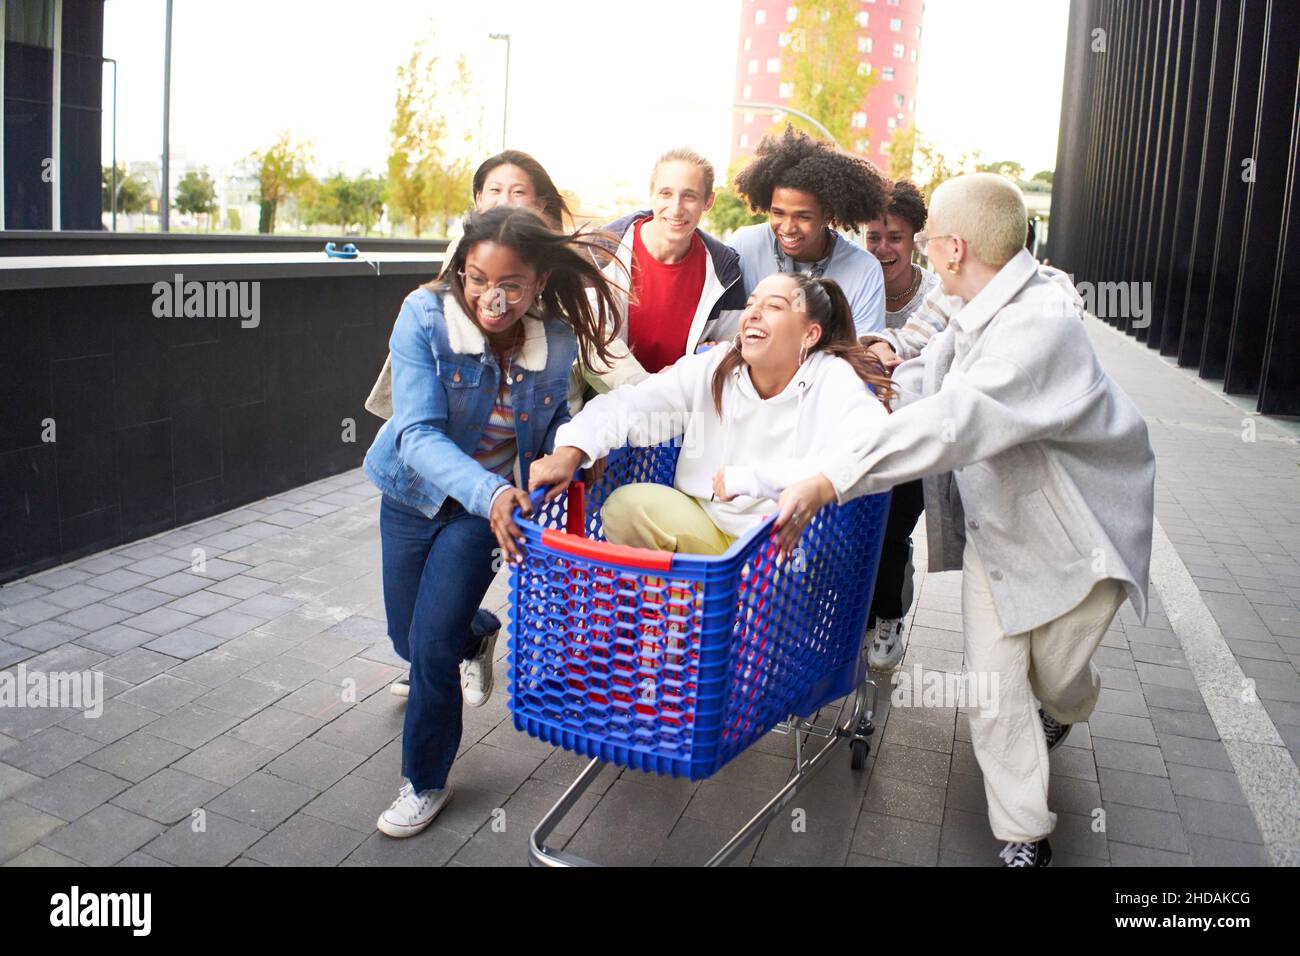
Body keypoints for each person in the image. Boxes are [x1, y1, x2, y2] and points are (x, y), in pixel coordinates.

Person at [773, 174, 1156, 867]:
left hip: (1081, 538)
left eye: (923, 239)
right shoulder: (969, 307)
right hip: (999, 532)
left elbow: (959, 418)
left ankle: (1067, 705)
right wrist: (843, 403)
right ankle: (1023, 834)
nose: (914, 249)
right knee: (994, 684)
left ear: (952, 247)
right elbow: (925, 386)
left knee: (1058, 679)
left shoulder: (1041, 323)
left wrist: (834, 478)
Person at [361, 205, 622, 838]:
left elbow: (555, 417)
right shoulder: (423, 316)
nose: (492, 298)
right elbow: (417, 433)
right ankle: (476, 633)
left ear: (537, 283)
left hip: (485, 516)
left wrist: (572, 450)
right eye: (477, 279)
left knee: (428, 646)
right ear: (460, 269)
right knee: (409, 634)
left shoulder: (555, 339)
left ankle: (423, 782)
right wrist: (490, 491)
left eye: (510, 284)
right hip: (413, 494)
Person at [527, 273, 892, 556]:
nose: (753, 314)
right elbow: (631, 404)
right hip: (708, 532)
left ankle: (726, 622)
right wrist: (571, 449)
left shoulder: (833, 379)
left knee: (785, 567)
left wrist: (756, 480)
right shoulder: (715, 367)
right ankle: (678, 618)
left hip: (784, 543)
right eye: (751, 304)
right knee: (626, 506)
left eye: (775, 307)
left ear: (810, 334)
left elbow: (874, 448)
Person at [858, 180, 941, 669]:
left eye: (895, 236)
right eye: (873, 236)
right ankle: (860, 615)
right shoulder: (853, 281)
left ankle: (887, 616)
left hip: (915, 432)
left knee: (891, 528)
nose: (883, 247)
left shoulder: (936, 294)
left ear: (914, 240)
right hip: (860, 430)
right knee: (856, 528)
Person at [728, 125, 890, 335]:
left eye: (803, 216)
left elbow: (863, 351)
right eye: (778, 213)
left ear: (828, 214)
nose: (787, 227)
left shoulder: (864, 270)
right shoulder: (743, 246)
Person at [597, 148, 747, 375]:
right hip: (604, 403)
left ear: (708, 201)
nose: (676, 209)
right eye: (666, 193)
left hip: (684, 405)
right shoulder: (601, 252)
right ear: (652, 194)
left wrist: (700, 363)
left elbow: (731, 350)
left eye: (690, 196)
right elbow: (588, 346)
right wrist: (649, 387)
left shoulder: (724, 270)